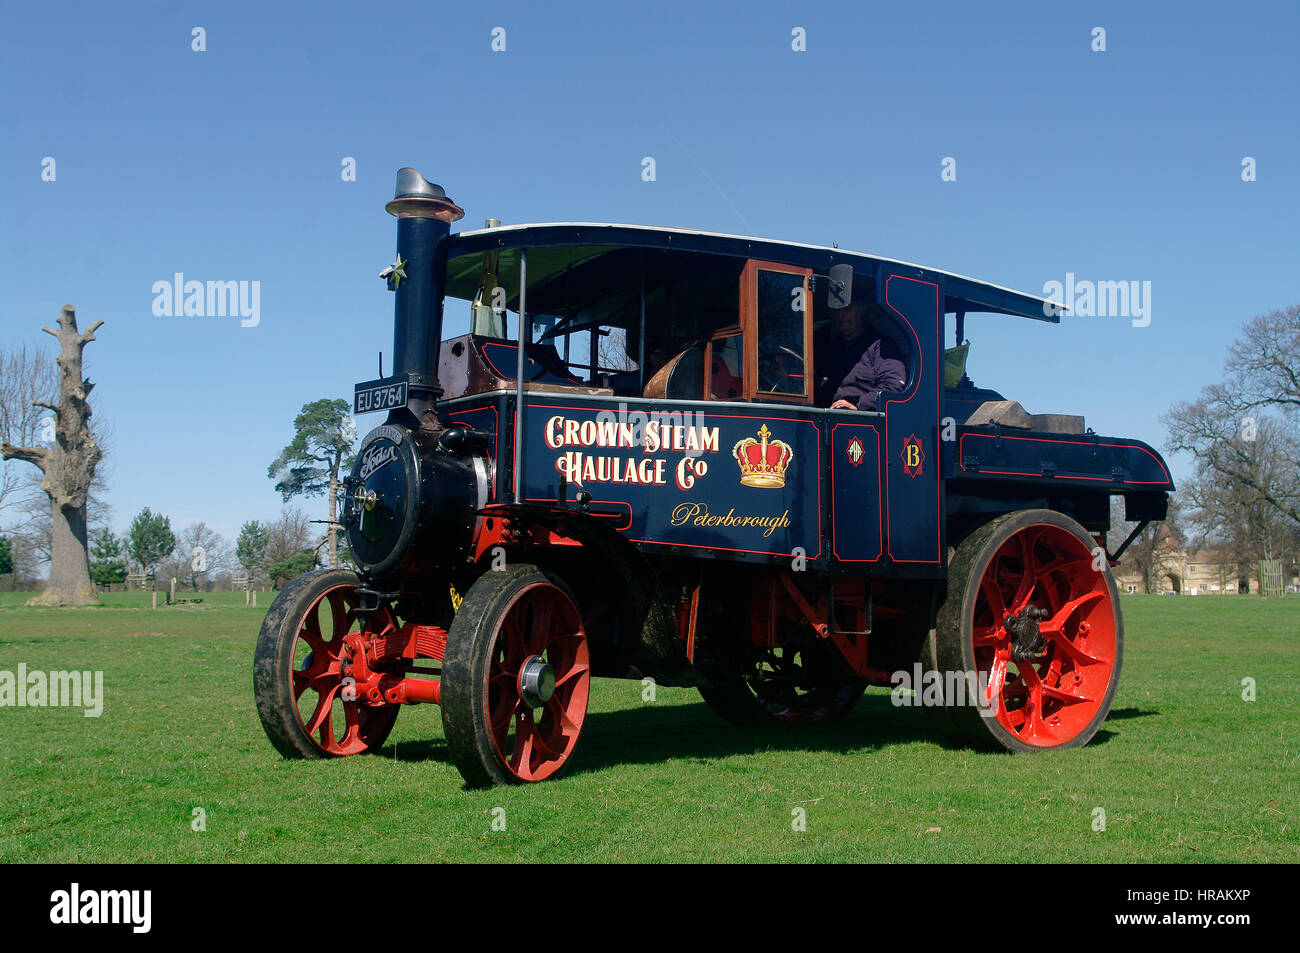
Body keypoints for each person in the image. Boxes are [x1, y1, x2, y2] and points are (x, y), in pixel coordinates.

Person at [813, 299, 908, 410]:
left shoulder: (881, 346)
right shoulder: (829, 348)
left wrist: (858, 404)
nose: (840, 315)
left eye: (847, 309)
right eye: (836, 310)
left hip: (858, 420)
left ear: (861, 312)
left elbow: (893, 386)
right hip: (825, 415)